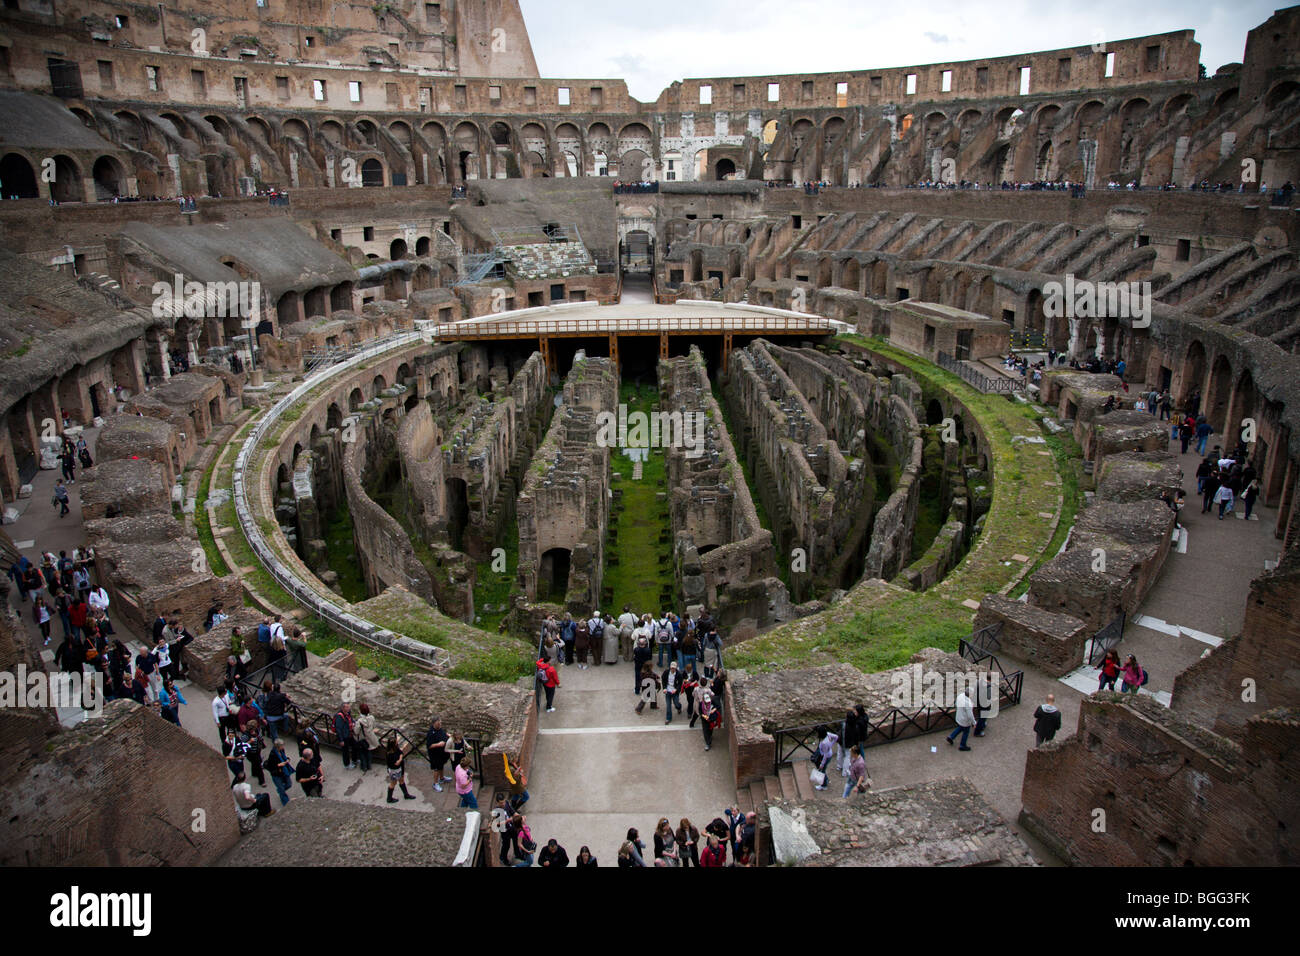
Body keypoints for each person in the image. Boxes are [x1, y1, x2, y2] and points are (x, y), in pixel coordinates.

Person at [385, 739, 416, 803]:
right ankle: (389, 798)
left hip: (399, 769)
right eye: (396, 743)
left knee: (401, 780)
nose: (397, 743)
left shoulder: (396, 749)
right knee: (393, 783)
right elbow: (395, 764)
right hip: (394, 771)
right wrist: (399, 760)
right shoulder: (389, 754)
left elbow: (401, 753)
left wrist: (400, 759)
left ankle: (406, 794)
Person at [426, 717, 450, 790]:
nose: (440, 725)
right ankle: (435, 783)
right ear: (434, 723)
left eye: (440, 723)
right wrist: (438, 744)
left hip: (441, 753)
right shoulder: (431, 733)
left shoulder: (440, 729)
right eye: (438, 723)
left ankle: (442, 778)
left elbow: (443, 734)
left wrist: (447, 735)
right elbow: (429, 745)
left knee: (441, 765)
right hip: (435, 754)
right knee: (436, 768)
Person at [268, 738, 294, 806]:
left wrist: (287, 759)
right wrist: (278, 765)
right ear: (278, 746)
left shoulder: (282, 750)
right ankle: (286, 803)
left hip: (284, 771)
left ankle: (280, 791)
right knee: (281, 789)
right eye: (282, 745)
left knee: (289, 784)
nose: (283, 747)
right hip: (276, 773)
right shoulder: (272, 754)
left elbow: (284, 757)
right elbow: (270, 765)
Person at [354, 702, 378, 771]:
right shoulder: (372, 718)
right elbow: (374, 726)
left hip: (362, 739)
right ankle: (369, 765)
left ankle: (364, 766)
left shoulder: (359, 721)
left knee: (362, 753)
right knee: (369, 751)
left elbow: (356, 731)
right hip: (370, 738)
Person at [334, 701, 357, 770]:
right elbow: (338, 729)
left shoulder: (348, 713)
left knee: (354, 746)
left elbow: (351, 719)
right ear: (343, 708)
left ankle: (354, 760)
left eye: (349, 706)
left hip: (350, 734)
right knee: (345, 751)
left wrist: (353, 723)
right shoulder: (339, 716)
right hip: (344, 736)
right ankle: (347, 764)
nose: (349, 708)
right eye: (347, 707)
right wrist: (341, 740)